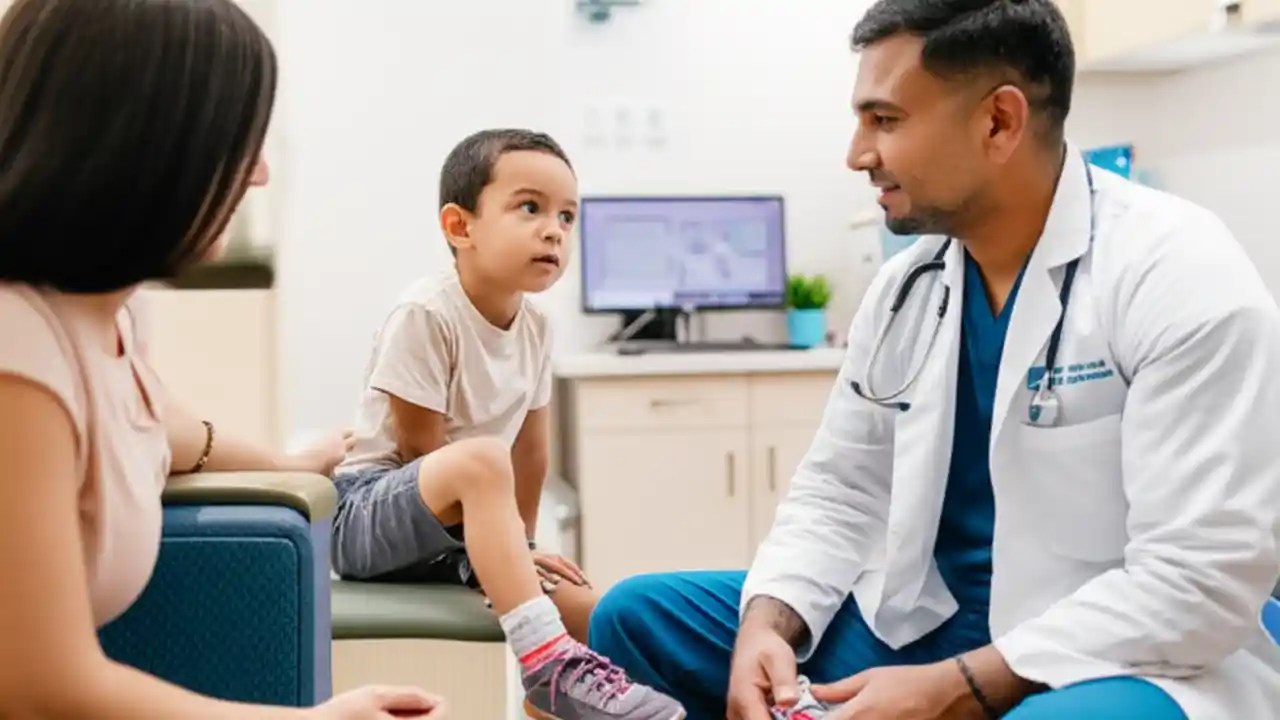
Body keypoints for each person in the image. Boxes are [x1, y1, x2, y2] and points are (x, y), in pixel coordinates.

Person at [589, 1, 1280, 719]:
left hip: (1114, 652)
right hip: (929, 627)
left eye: (884, 120)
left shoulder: (1177, 274)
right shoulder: (909, 286)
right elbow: (841, 490)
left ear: (998, 123)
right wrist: (769, 625)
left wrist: (963, 687)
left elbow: (1199, 580)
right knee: (635, 619)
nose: (857, 153)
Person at [0, 1, 447, 718]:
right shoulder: (16, 345)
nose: (261, 173)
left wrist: (290, 462)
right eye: (239, 140)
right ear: (146, 143)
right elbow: (40, 685)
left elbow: (164, 430)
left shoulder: (106, 314)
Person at [330, 128, 685, 720]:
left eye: (567, 217)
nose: (554, 230)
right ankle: (546, 664)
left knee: (599, 611)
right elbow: (424, 452)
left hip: (460, 527)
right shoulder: (426, 313)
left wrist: (518, 549)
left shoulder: (537, 328)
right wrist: (492, 552)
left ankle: (579, 695)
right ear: (459, 226)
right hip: (370, 515)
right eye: (530, 208)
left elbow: (531, 455)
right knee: (480, 459)